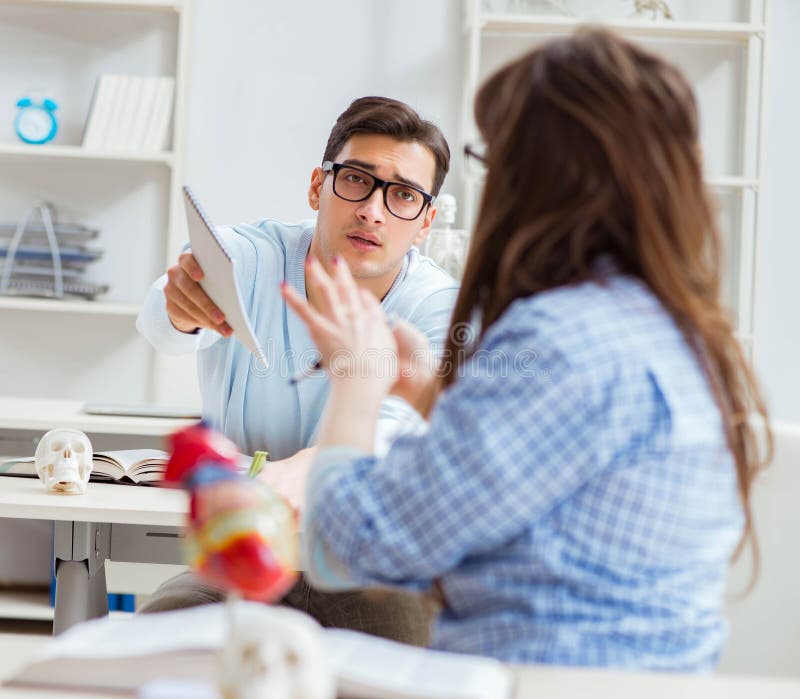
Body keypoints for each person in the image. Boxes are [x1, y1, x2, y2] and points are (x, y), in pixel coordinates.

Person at [283, 29, 772, 670]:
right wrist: (430, 394)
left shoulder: (560, 338)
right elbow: (545, 483)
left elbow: (345, 547)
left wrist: (356, 378)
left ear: (540, 176)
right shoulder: (674, 330)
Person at [136, 96, 459, 645]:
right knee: (151, 649)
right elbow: (161, 323)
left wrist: (308, 470)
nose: (372, 211)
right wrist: (178, 308)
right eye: (357, 179)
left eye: (403, 195)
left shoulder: (438, 307)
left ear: (426, 221)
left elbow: (396, 422)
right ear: (318, 186)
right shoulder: (245, 256)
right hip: (242, 558)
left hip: (372, 573)